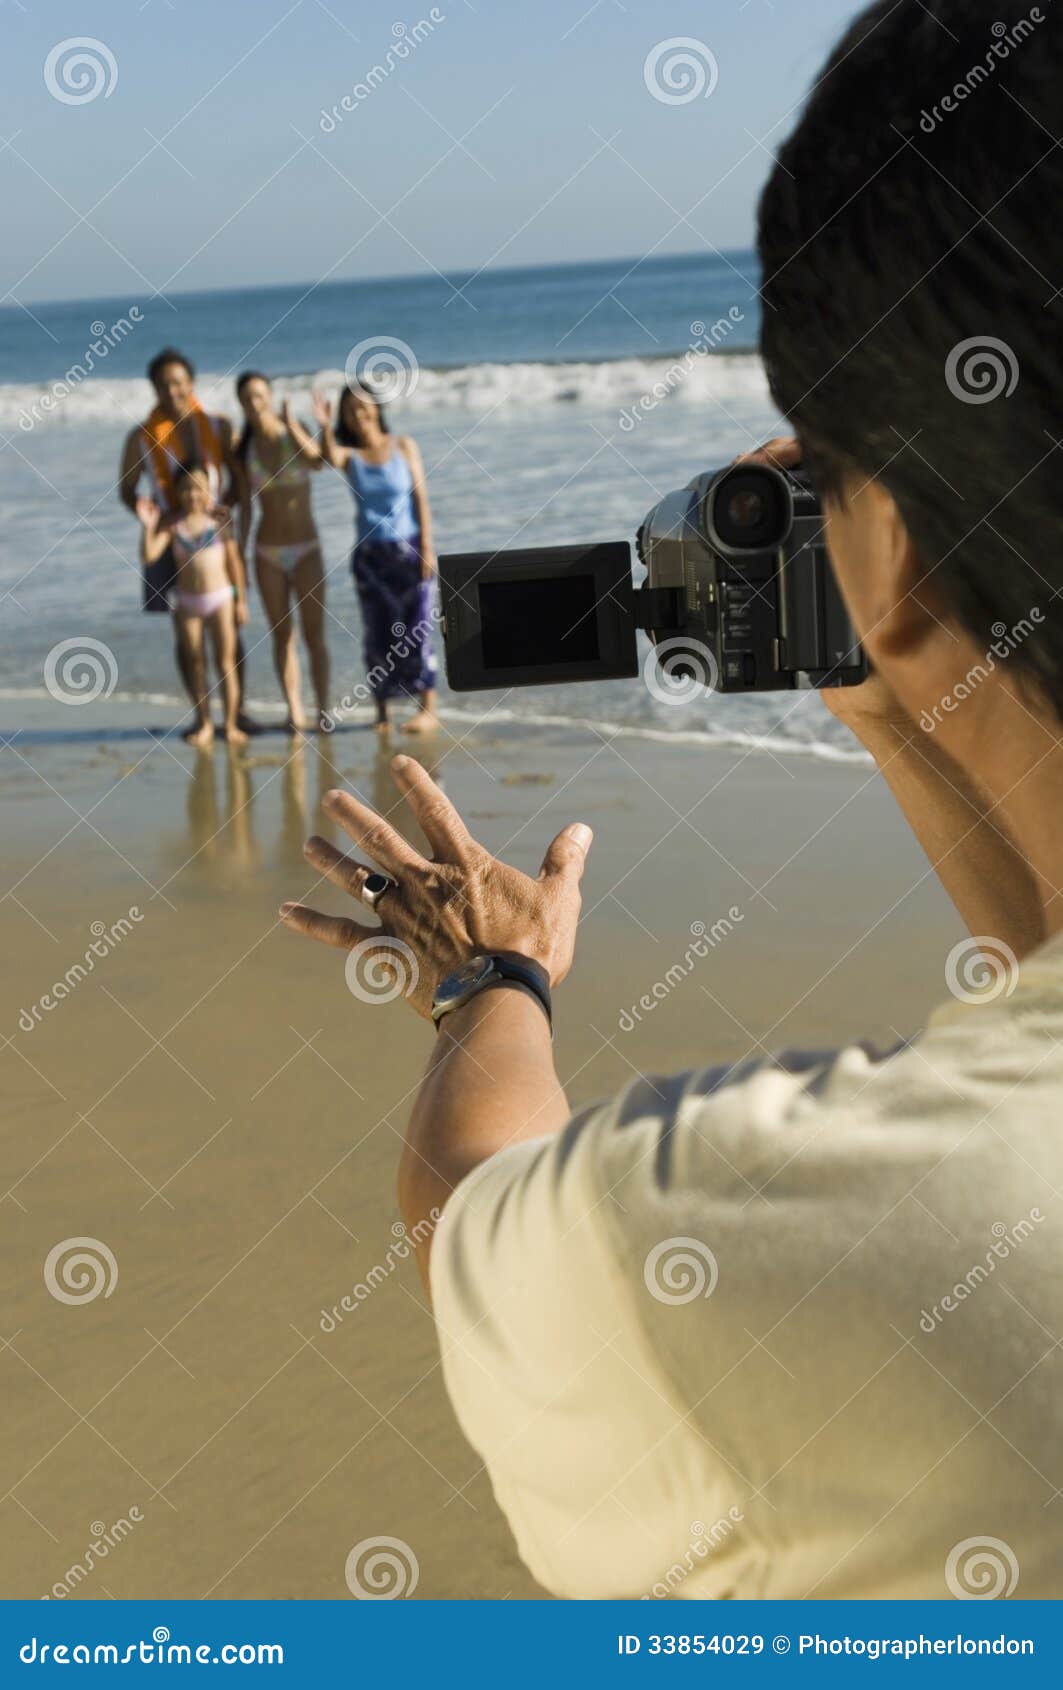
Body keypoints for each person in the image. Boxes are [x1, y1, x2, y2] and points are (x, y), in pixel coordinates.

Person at [280, 0, 1063, 1601]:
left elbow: (469, 1214)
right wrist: (892, 655)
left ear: (884, 554)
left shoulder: (746, 1228)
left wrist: (490, 986)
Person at [119, 348, 256, 732]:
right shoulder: (140, 438)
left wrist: (231, 514)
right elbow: (126, 488)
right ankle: (202, 717)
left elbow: (240, 480)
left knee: (229, 627)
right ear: (154, 389)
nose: (172, 390)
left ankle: (237, 713)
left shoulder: (218, 426)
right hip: (171, 537)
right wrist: (151, 514)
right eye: (163, 385)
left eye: (178, 382)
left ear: (191, 383)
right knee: (185, 636)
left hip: (214, 536)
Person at [312, 382, 438, 734]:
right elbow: (327, 457)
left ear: (377, 408)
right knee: (378, 633)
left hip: (410, 548)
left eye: (363, 407)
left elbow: (421, 499)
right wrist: (324, 427)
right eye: (350, 411)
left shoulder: (404, 446)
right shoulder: (349, 456)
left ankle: (427, 708)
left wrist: (427, 547)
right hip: (370, 556)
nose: (358, 415)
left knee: (418, 627)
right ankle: (382, 712)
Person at [234, 372, 329, 733]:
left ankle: (323, 710)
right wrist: (239, 560)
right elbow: (245, 508)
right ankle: (294, 712)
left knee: (314, 635)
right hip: (267, 552)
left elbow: (318, 460)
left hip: (307, 549)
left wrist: (292, 424)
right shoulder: (244, 450)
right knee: (282, 635)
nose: (254, 404)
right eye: (247, 399)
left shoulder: (294, 431)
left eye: (259, 396)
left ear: (270, 396)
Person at [138, 466, 248, 747]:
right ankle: (206, 722)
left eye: (198, 487)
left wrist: (241, 600)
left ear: (209, 490)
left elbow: (234, 562)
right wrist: (148, 525)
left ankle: (232, 723)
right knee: (196, 663)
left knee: (226, 664)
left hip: (221, 598)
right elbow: (149, 555)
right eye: (186, 488)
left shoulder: (220, 520)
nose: (192, 494)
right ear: (177, 492)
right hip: (188, 602)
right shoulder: (173, 525)